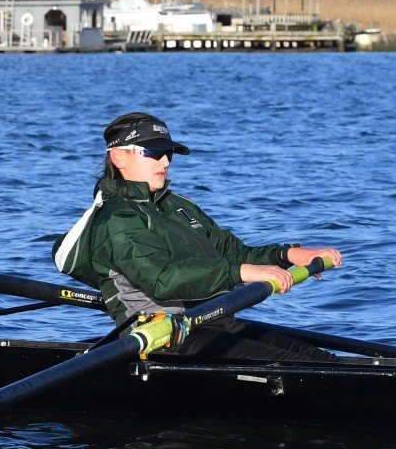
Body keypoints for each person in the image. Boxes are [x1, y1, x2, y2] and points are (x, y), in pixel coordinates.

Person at [52, 111, 342, 361]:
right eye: (152, 152)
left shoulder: (178, 206)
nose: (164, 161)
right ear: (119, 157)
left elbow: (233, 253)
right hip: (165, 338)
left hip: (213, 321)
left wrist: (288, 254)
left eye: (168, 153)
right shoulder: (117, 218)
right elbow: (162, 279)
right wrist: (241, 272)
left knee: (325, 362)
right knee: (305, 368)